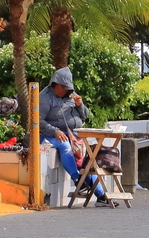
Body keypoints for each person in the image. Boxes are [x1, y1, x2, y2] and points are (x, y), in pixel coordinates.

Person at [37, 67, 109, 205]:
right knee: (65, 147)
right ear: (57, 85)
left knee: (85, 161)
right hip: (51, 134)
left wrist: (80, 105)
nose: (67, 92)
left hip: (73, 133)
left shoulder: (71, 95)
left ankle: (100, 195)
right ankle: (78, 181)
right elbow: (38, 120)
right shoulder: (45, 98)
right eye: (65, 89)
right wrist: (55, 131)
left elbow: (85, 115)